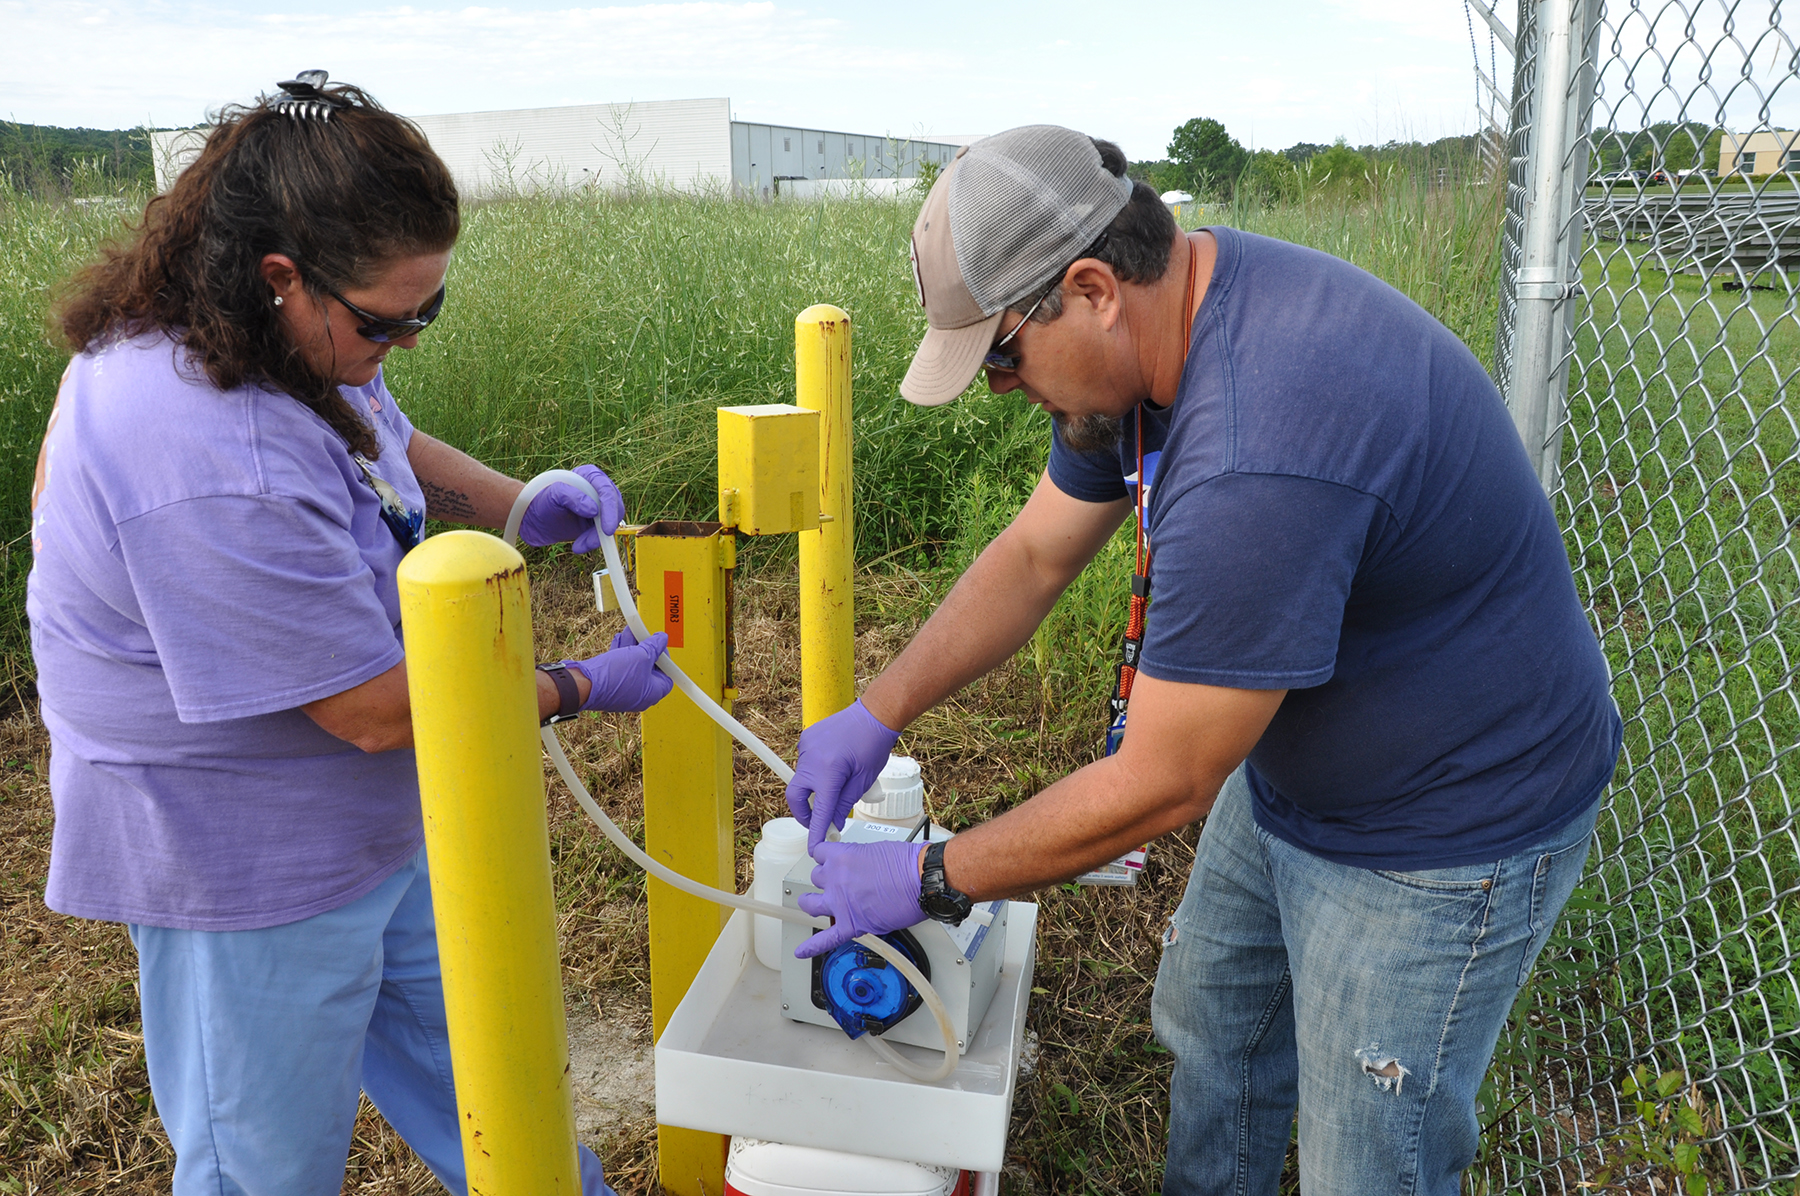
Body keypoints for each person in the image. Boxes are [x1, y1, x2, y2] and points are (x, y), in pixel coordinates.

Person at [783, 125, 1621, 1195]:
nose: (999, 390)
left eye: (1000, 354)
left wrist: (928, 876)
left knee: (1368, 1154)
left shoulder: (1259, 443)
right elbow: (1037, 553)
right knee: (1215, 1026)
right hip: (1301, 767)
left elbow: (1164, 779)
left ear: (1089, 289)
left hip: (1444, 821)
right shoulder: (1154, 336)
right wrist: (879, 708)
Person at [27, 73, 666, 1196]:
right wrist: (574, 684)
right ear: (281, 274)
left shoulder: (275, 340)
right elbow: (375, 710)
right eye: (386, 319)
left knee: (484, 1074)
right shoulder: (212, 455)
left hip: (371, 823)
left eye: (432, 309)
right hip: (242, 854)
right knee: (260, 1163)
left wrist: (520, 501)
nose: (409, 340)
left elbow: (385, 435)